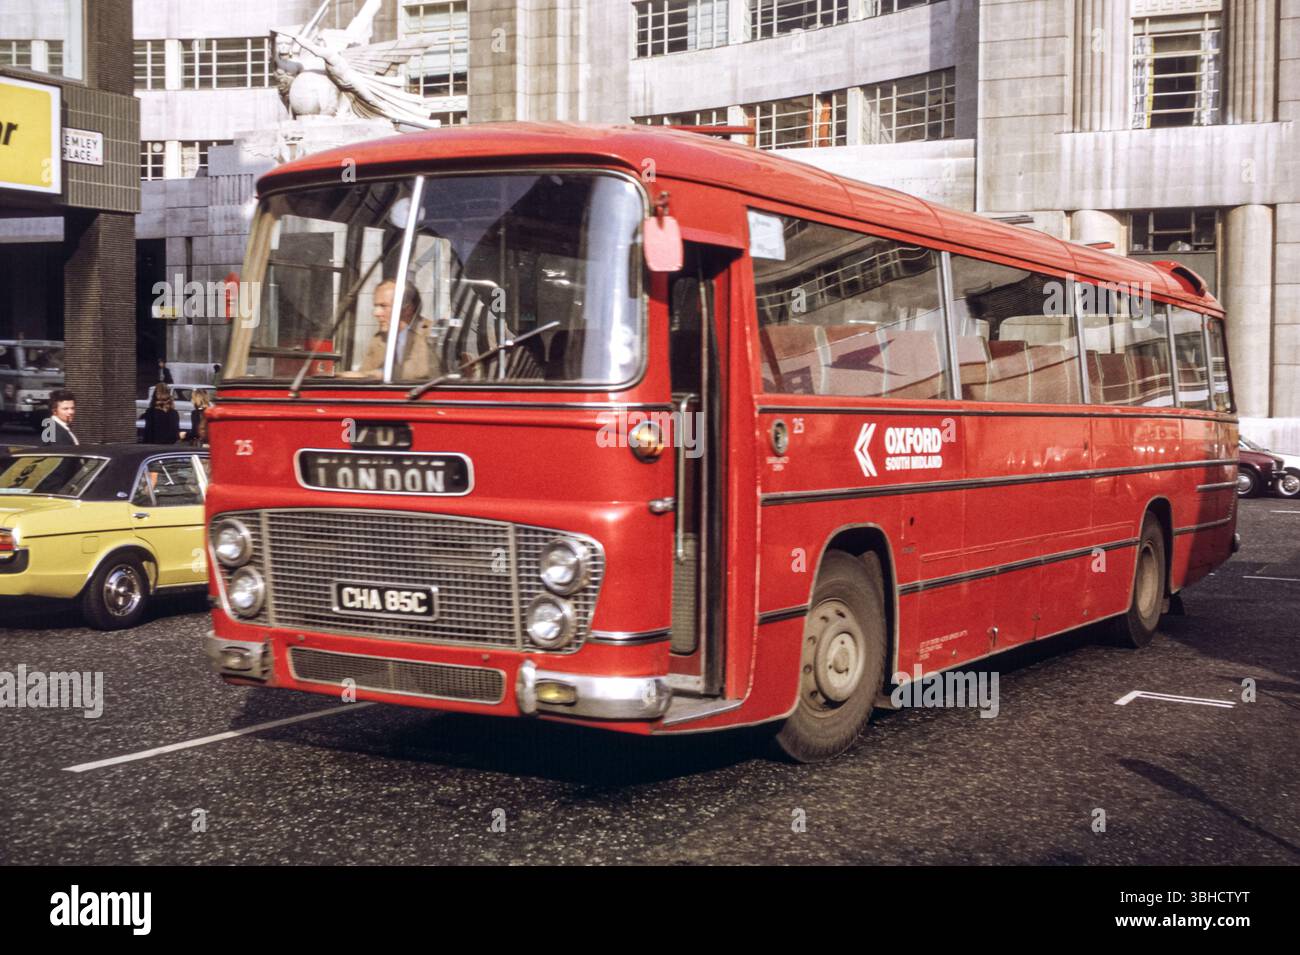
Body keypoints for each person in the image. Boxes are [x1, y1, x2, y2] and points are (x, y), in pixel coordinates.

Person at [358, 280, 437, 380]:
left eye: (383, 306)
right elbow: (364, 374)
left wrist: (382, 374)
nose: (376, 313)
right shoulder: (379, 339)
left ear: (407, 308)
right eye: (376, 306)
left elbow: (424, 371)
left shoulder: (431, 333)